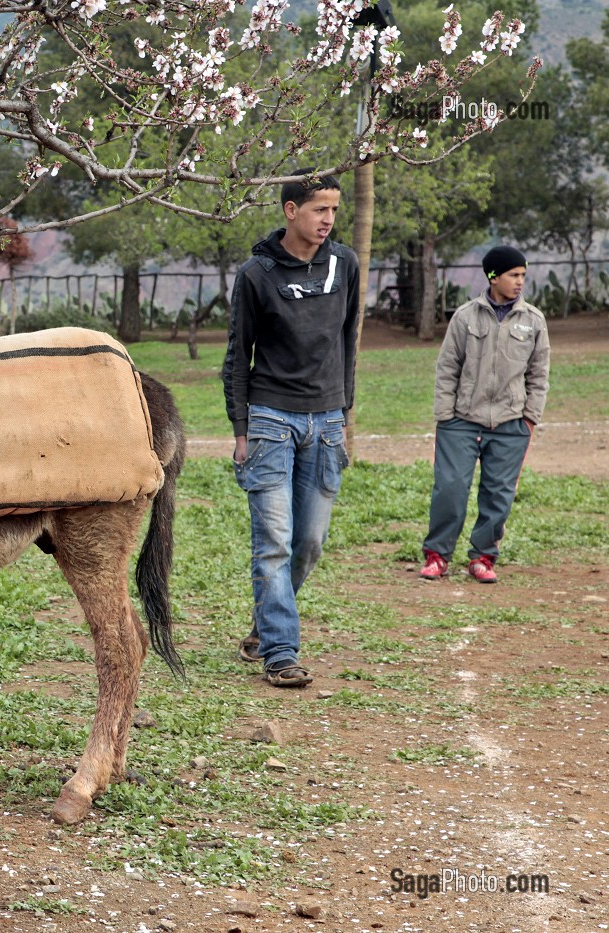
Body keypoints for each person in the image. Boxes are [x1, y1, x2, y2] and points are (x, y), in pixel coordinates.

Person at [222, 170, 358, 689]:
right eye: (319, 209)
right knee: (274, 541)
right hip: (270, 419)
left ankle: (264, 623)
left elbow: (348, 342)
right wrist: (242, 430)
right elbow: (238, 357)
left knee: (309, 542)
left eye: (334, 211)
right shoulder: (256, 274)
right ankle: (281, 652)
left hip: (325, 423)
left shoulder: (344, 264)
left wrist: (344, 417)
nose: (328, 220)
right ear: (290, 210)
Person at [420, 246, 549, 584]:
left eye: (523, 275)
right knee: (450, 488)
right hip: (460, 421)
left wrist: (530, 418)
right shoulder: (465, 317)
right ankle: (437, 555)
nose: (520, 282)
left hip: (510, 423)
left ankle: (483, 557)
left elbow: (539, 374)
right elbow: (447, 368)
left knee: (498, 494)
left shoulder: (534, 320)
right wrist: (445, 415)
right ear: (493, 277)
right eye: (513, 275)